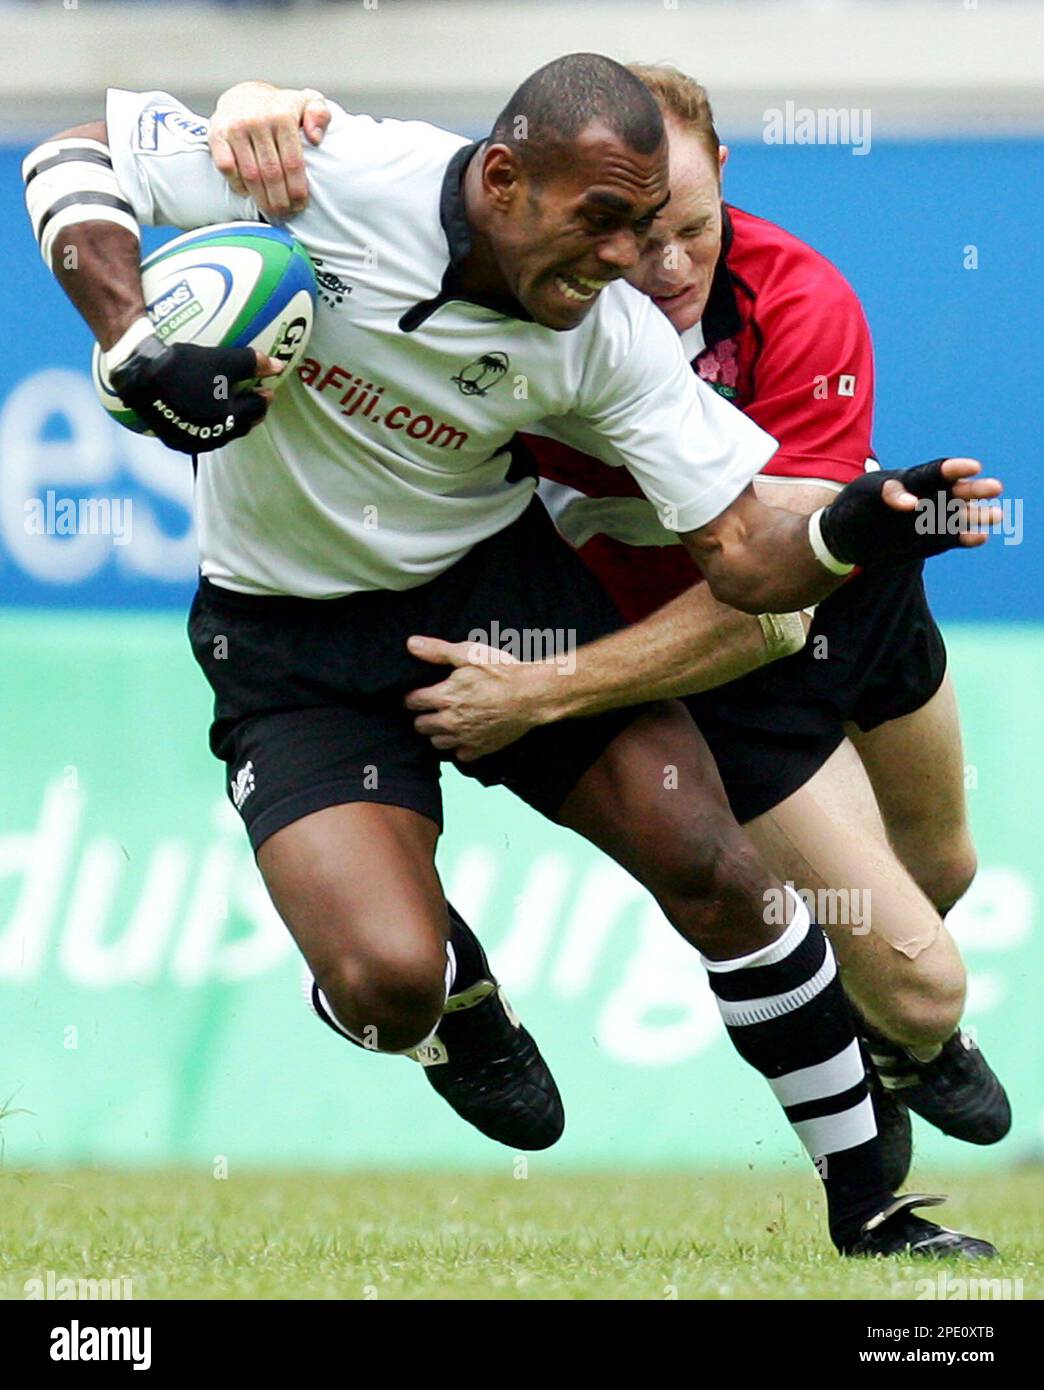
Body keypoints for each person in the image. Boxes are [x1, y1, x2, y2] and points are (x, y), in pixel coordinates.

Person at [25, 53, 1002, 1257]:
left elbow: (747, 555)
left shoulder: (611, 335)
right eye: (599, 221)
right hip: (283, 634)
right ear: (501, 178)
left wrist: (860, 523)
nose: (622, 260)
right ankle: (456, 1009)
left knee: (717, 863)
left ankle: (874, 1213)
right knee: (388, 981)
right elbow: (74, 154)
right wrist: (127, 336)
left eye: (643, 228)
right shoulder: (330, 175)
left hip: (499, 594)